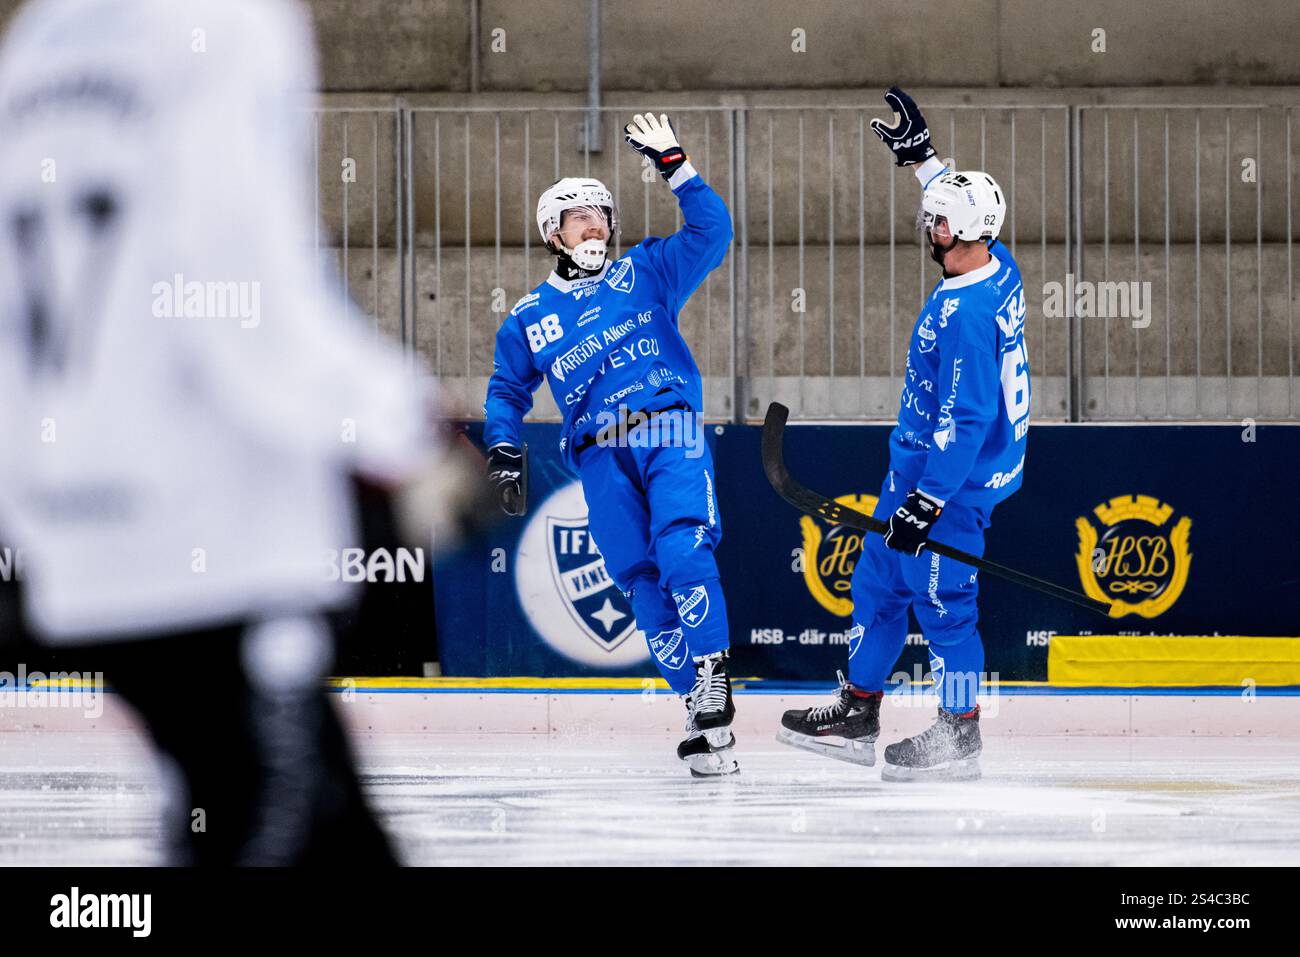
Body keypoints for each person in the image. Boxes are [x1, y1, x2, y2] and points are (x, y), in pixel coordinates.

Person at [0, 0, 471, 862]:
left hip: (79, 548)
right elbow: (241, 292)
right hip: (214, 543)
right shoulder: (226, 26)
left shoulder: (35, 44)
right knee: (272, 823)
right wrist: (402, 421)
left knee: (279, 820)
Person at [778, 88, 1030, 782]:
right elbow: (960, 209)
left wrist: (927, 503)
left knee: (946, 607)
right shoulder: (992, 263)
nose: (929, 227)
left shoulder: (966, 314)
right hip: (916, 476)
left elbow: (969, 417)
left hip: (951, 486)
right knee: (880, 586)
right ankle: (859, 708)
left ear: (963, 231)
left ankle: (960, 731)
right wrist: (923, 160)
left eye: (938, 221)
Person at [483, 113, 738, 777]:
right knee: (643, 585)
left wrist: (676, 166)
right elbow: (507, 391)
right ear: (553, 233)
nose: (595, 224)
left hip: (670, 429)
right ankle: (700, 716)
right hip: (599, 457)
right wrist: (503, 450)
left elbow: (714, 233)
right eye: (580, 217)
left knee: (683, 549)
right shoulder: (529, 318)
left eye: (601, 215)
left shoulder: (647, 270)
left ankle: (714, 677)